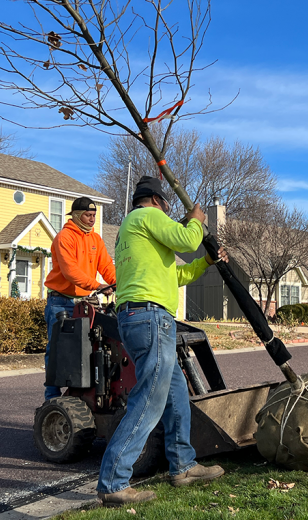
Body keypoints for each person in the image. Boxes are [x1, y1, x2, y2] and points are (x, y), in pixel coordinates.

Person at [96, 176, 229, 507]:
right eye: (167, 203)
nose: (170, 208)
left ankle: (182, 464)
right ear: (156, 199)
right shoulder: (146, 216)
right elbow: (185, 240)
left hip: (140, 317)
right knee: (149, 399)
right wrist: (197, 221)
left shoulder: (137, 235)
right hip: (151, 318)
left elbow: (177, 274)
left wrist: (206, 262)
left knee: (175, 393)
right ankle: (113, 482)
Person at [43, 196, 116, 402]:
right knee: (57, 350)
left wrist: (116, 282)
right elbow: (70, 272)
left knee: (94, 348)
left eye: (94, 215)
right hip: (61, 302)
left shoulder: (96, 239)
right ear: (76, 215)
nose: (92, 219)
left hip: (86, 302)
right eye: (88, 215)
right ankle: (52, 398)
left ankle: (87, 394)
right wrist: (98, 285)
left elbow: (106, 267)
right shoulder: (64, 238)